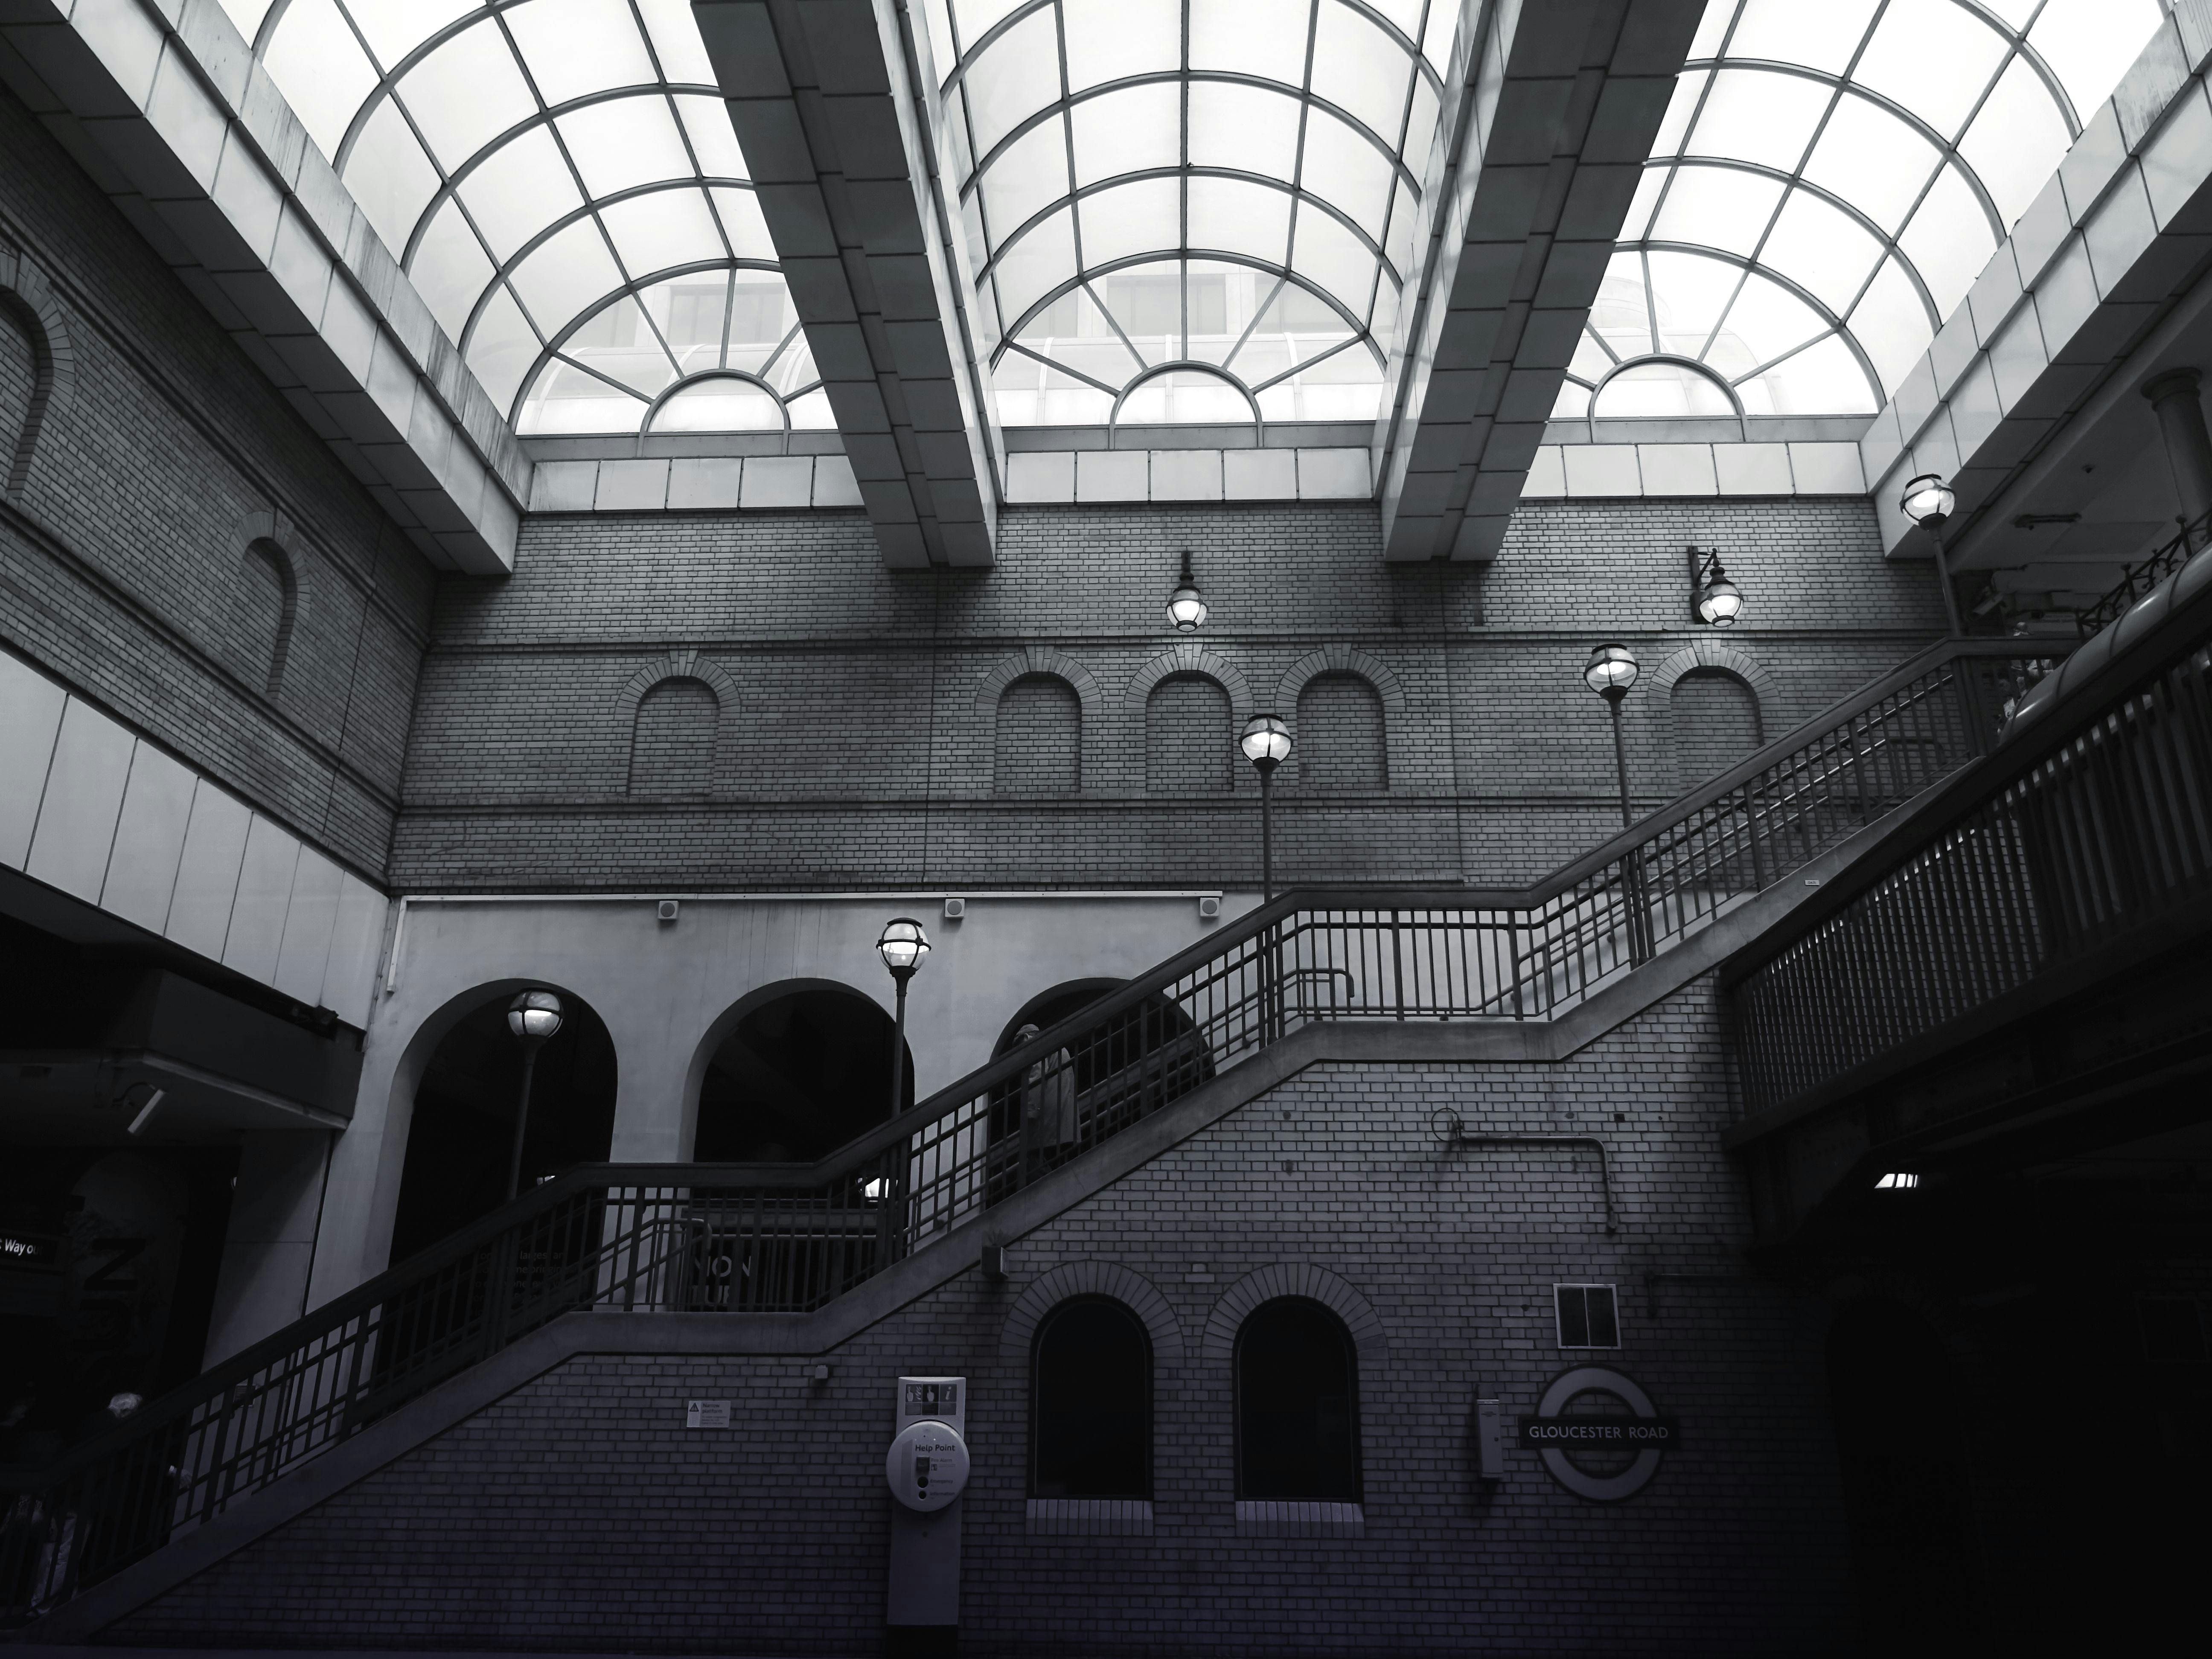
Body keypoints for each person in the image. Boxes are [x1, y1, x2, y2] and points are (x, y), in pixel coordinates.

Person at [1014, 1023, 1080, 1185]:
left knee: (1035, 1162)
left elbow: (1035, 1082)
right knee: (1063, 1169)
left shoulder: (1039, 1048)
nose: (1021, 1052)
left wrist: (1029, 1113)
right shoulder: (1061, 1048)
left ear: (1027, 1037)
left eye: (1020, 1046)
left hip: (1047, 1120)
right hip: (1066, 1120)